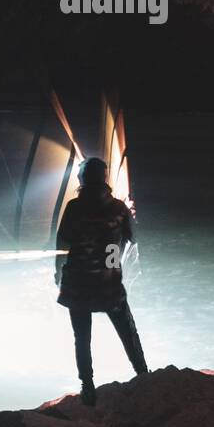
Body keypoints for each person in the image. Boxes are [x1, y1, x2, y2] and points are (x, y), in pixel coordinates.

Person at [54, 157, 148, 405]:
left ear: (83, 179)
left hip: (78, 282)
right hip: (109, 282)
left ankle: (88, 386)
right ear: (104, 178)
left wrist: (58, 273)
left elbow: (62, 244)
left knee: (82, 337)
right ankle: (144, 375)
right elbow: (133, 239)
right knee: (128, 330)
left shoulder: (74, 207)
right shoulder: (118, 208)